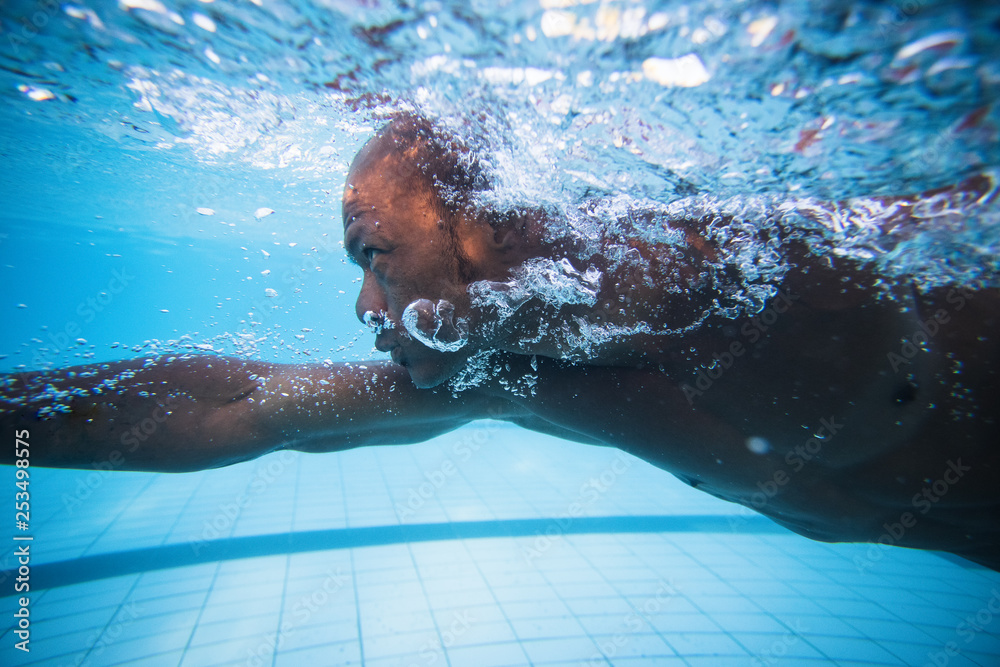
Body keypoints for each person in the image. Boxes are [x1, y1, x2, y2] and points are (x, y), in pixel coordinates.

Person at [2, 114, 998, 570]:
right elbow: (242, 405)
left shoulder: (779, 271)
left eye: (374, 254)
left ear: (492, 235)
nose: (363, 304)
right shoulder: (524, 374)